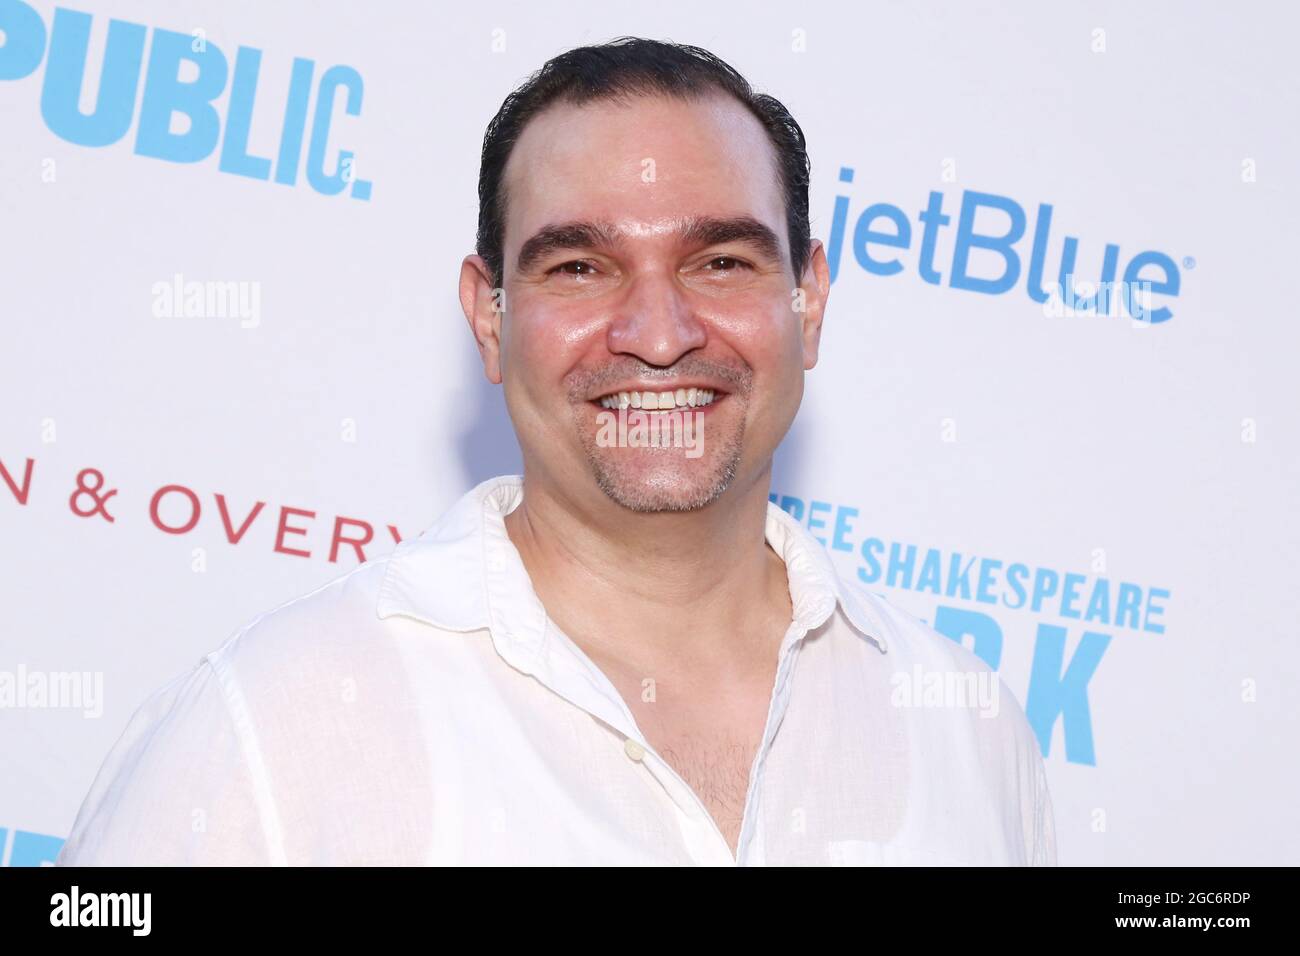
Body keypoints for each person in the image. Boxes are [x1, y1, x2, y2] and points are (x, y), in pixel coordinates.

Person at [56, 36, 1056, 866]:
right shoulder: (273, 723)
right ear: (489, 320)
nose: (659, 333)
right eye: (580, 265)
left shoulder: (965, 726)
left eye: (719, 259)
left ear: (810, 299)